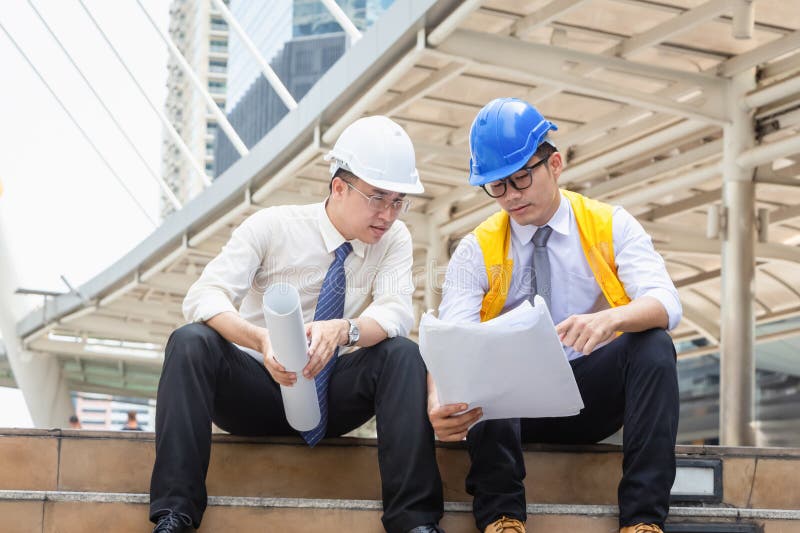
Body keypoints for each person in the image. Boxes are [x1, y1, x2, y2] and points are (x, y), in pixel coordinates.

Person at [149, 116, 444, 533]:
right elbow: (203, 296)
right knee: (190, 341)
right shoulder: (272, 226)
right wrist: (259, 339)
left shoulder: (394, 239)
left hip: (330, 393)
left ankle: (415, 522)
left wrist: (345, 330)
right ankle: (175, 514)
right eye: (378, 197)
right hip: (255, 387)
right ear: (339, 187)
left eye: (398, 201)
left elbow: (397, 311)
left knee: (402, 354)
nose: (388, 214)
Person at [428, 98, 682, 533]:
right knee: (483, 352)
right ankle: (502, 516)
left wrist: (611, 321)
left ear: (555, 164)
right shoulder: (477, 249)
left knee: (654, 345)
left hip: (588, 397)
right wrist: (437, 403)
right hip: (510, 412)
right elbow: (451, 339)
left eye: (521, 178)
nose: (510, 196)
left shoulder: (609, 225)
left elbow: (667, 303)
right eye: (497, 186)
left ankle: (642, 520)